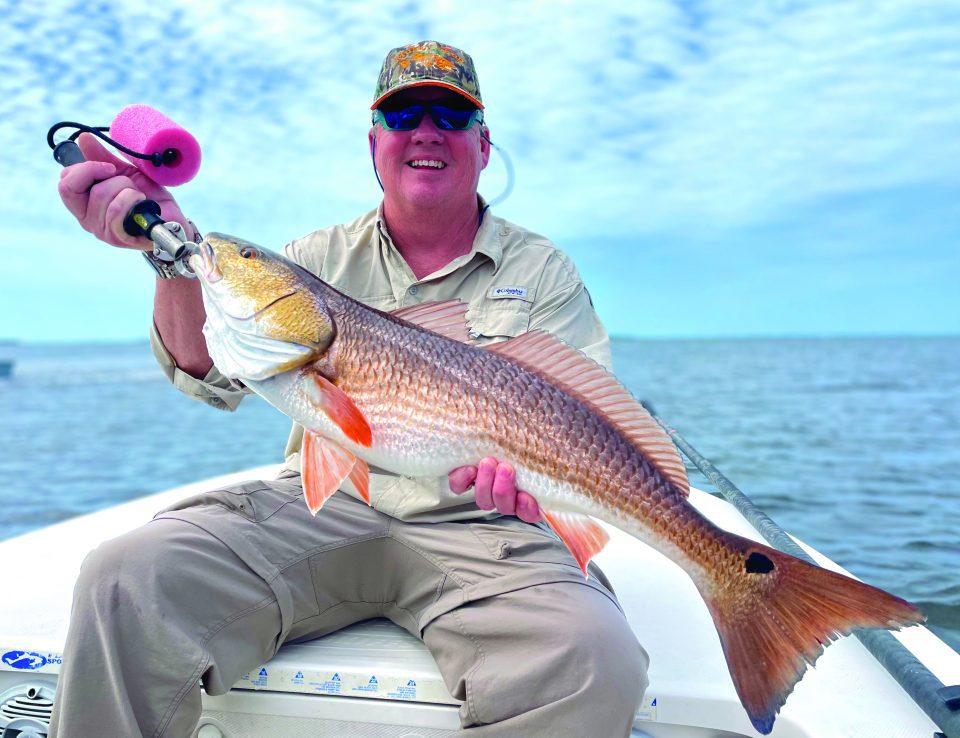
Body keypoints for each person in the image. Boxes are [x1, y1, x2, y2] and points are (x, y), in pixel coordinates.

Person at [52, 41, 647, 737]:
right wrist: (171, 254)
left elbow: (587, 418)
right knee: (125, 577)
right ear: (374, 145)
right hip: (324, 507)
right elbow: (207, 376)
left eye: (451, 116)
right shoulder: (313, 259)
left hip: (485, 529)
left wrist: (538, 488)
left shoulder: (542, 271)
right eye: (402, 116)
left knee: (595, 659)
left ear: (484, 146)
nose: (425, 131)